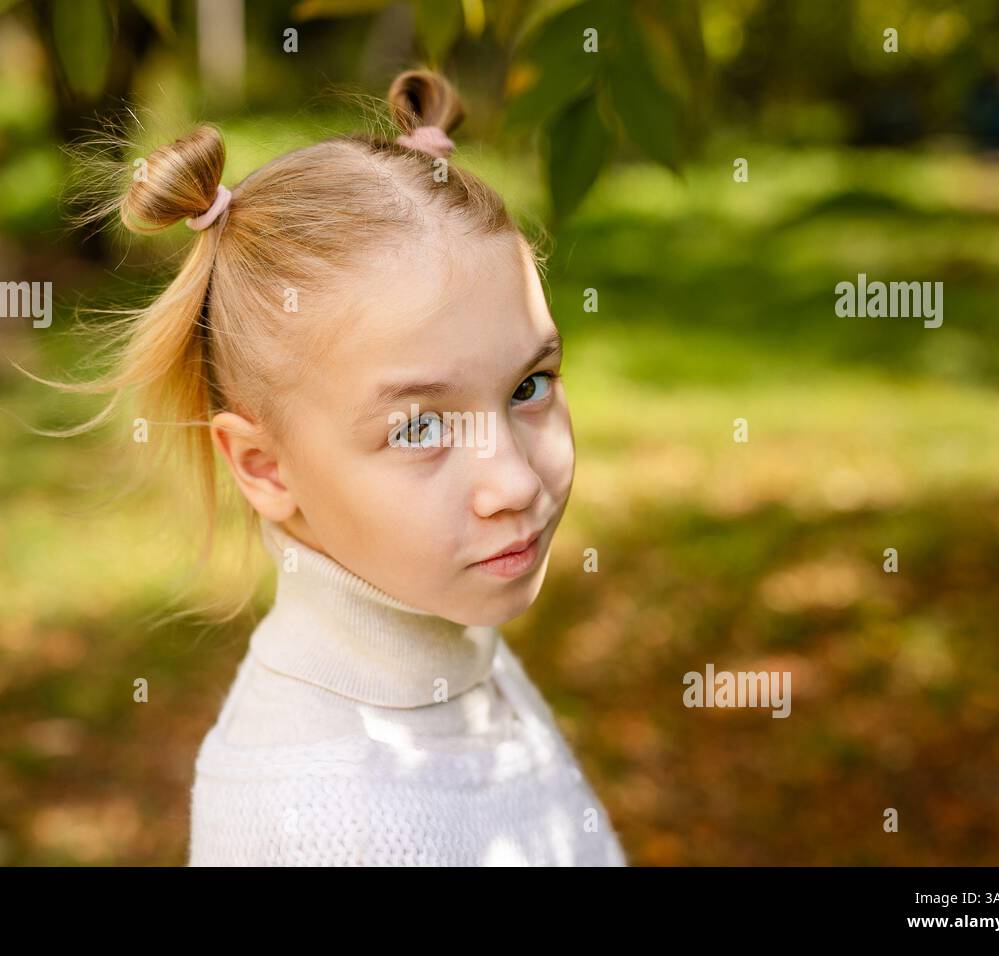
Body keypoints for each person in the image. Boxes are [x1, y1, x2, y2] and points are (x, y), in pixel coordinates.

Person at [65, 68, 626, 866]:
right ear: (264, 468)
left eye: (528, 386)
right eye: (422, 426)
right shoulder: (322, 824)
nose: (518, 484)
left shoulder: (453, 662)